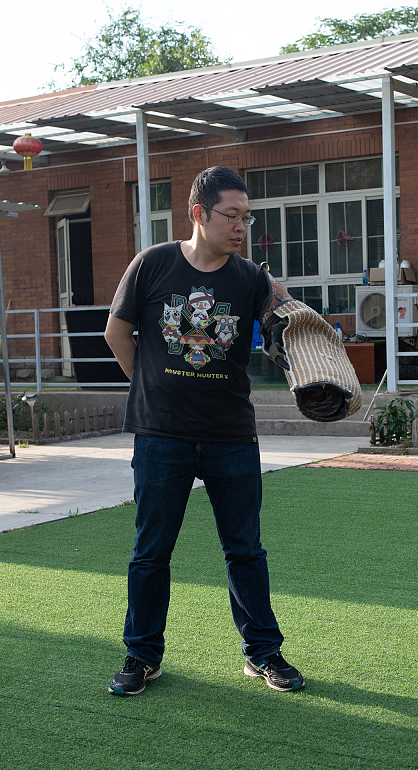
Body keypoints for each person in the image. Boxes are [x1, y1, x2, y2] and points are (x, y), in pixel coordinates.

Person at [103, 166, 304, 696]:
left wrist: (300, 329)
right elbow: (116, 332)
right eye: (231, 216)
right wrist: (150, 389)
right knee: (151, 551)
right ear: (199, 213)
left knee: (245, 550)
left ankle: (263, 653)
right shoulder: (152, 264)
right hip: (161, 435)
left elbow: (295, 325)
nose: (242, 227)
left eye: (247, 217)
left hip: (230, 435)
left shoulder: (252, 277)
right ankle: (141, 655)